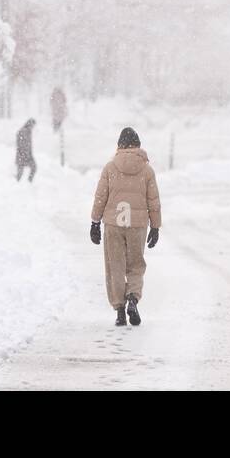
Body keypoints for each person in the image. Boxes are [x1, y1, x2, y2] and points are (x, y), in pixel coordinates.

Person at [89, 127, 162, 327]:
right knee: (136, 265)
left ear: (120, 145)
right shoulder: (147, 171)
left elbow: (100, 197)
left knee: (115, 266)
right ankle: (133, 297)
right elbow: (153, 201)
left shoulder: (110, 168)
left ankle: (120, 309)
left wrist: (95, 222)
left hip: (113, 224)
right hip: (137, 225)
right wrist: (155, 227)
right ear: (137, 145)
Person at [14, 118, 37, 182]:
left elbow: (28, 145)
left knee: (33, 167)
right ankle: (15, 184)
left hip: (26, 155)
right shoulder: (23, 131)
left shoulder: (28, 131)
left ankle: (28, 181)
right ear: (29, 124)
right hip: (22, 155)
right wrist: (25, 153)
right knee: (20, 172)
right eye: (32, 125)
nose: (33, 127)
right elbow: (21, 144)